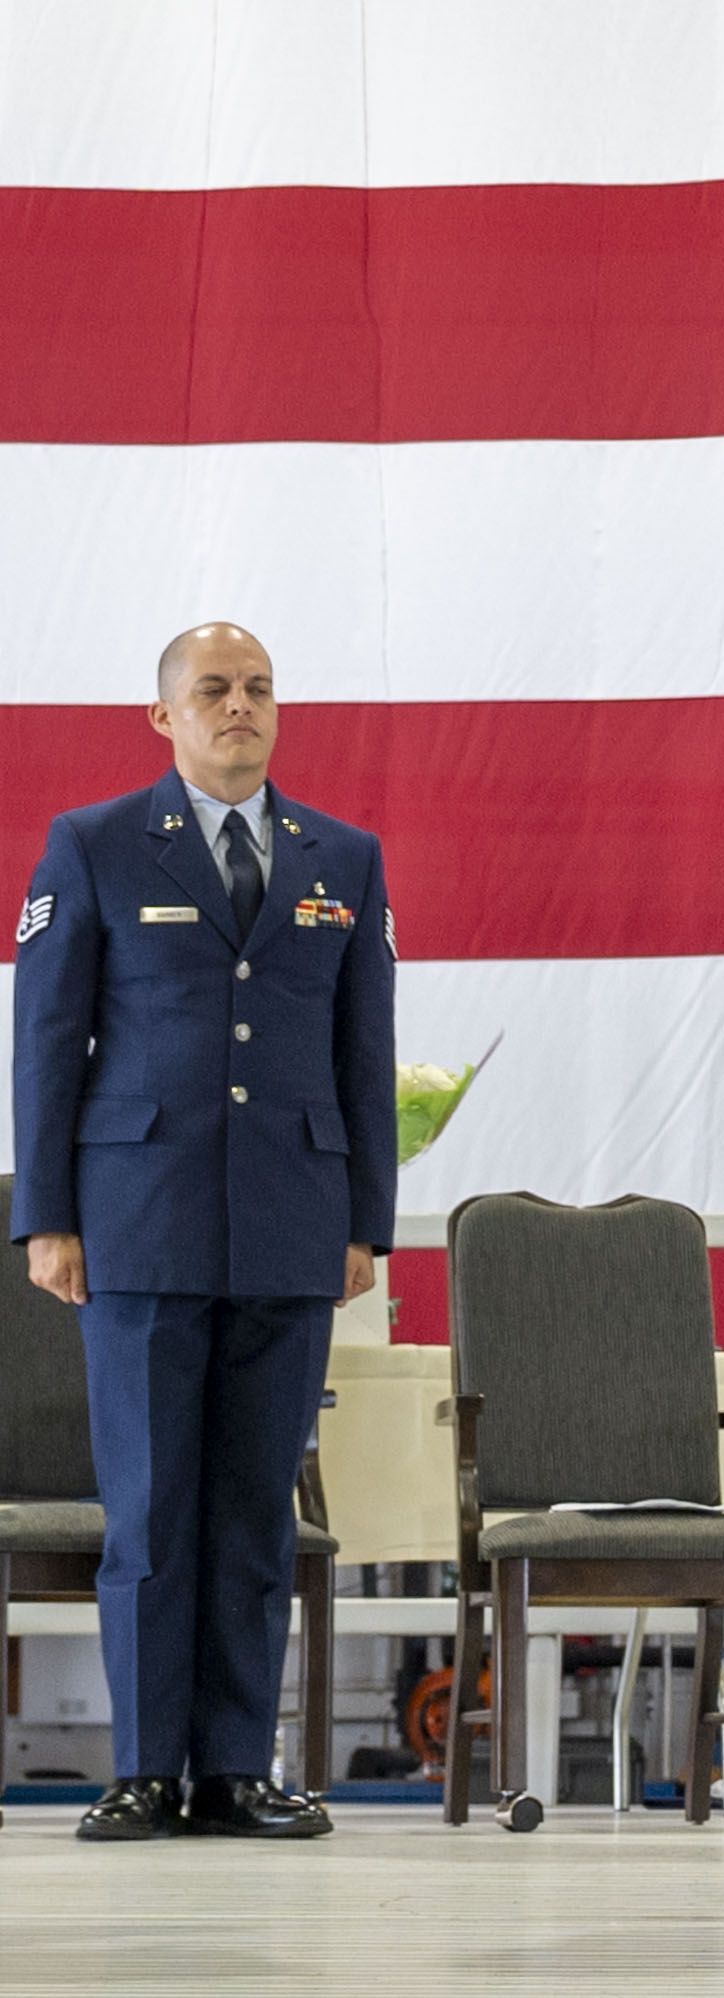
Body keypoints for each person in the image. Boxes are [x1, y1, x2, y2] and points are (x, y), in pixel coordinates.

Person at [11, 622, 393, 1844]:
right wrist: (48, 1217)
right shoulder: (94, 844)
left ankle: (233, 1768)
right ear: (163, 716)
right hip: (139, 1220)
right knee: (149, 1511)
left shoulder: (344, 856)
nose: (241, 706)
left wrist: (365, 1221)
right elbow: (46, 1043)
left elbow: (364, 1051)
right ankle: (141, 1770)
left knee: (252, 1513)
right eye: (215, 689)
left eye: (259, 688)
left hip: (291, 1217)